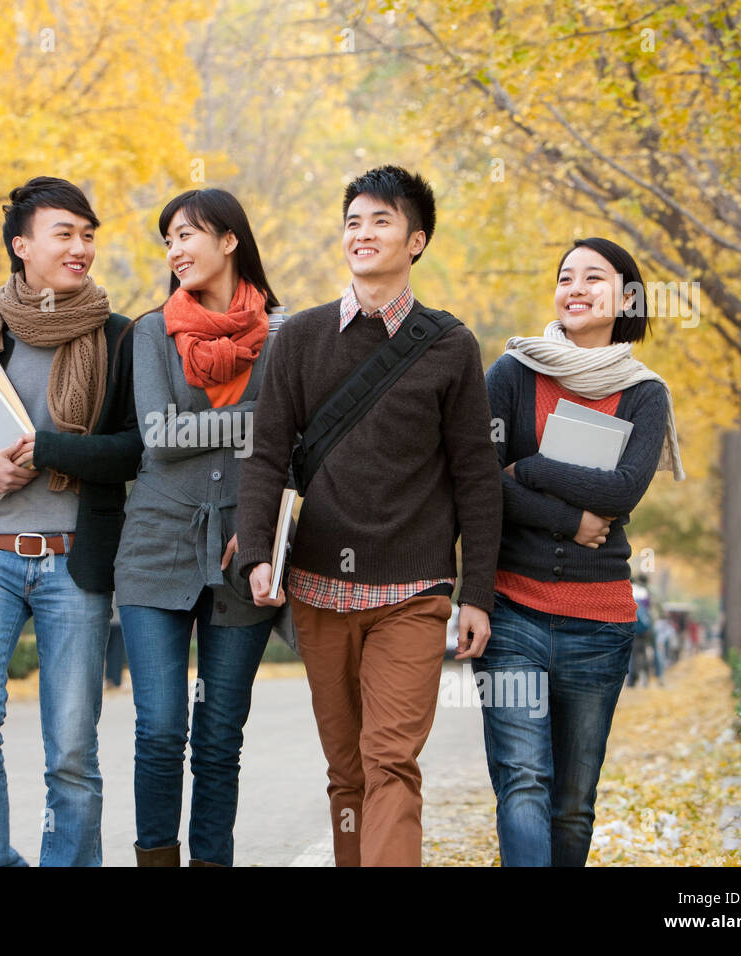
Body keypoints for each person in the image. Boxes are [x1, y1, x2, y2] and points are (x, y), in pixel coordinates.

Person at [236, 165, 502, 866]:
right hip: (319, 585)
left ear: (416, 241)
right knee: (347, 771)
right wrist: (257, 554)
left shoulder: (451, 346)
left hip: (411, 593)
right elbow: (266, 456)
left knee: (389, 760)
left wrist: (475, 592)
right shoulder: (298, 337)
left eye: (381, 220)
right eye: (353, 220)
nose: (363, 232)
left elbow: (477, 477)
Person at [0, 176, 142, 866]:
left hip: (76, 559)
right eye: (64, 233)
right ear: (22, 246)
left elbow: (137, 447)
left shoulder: (119, 336)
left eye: (88, 235)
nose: (80, 247)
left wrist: (54, 450)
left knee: (72, 746)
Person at [476, 236, 685, 867]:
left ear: (626, 296)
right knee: (523, 781)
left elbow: (624, 490)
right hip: (512, 608)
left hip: (600, 622)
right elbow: (483, 482)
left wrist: (531, 467)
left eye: (594, 278)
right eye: (566, 277)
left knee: (572, 800)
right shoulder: (511, 374)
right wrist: (572, 519)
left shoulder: (646, 393)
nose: (575, 288)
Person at [115, 188, 281, 867]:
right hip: (156, 548)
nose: (177, 250)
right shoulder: (151, 332)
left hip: (246, 550)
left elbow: (294, 445)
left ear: (230, 240)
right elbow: (159, 435)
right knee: (159, 729)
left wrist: (268, 521)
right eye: (169, 241)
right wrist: (258, 423)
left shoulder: (286, 333)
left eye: (188, 235)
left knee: (218, 736)